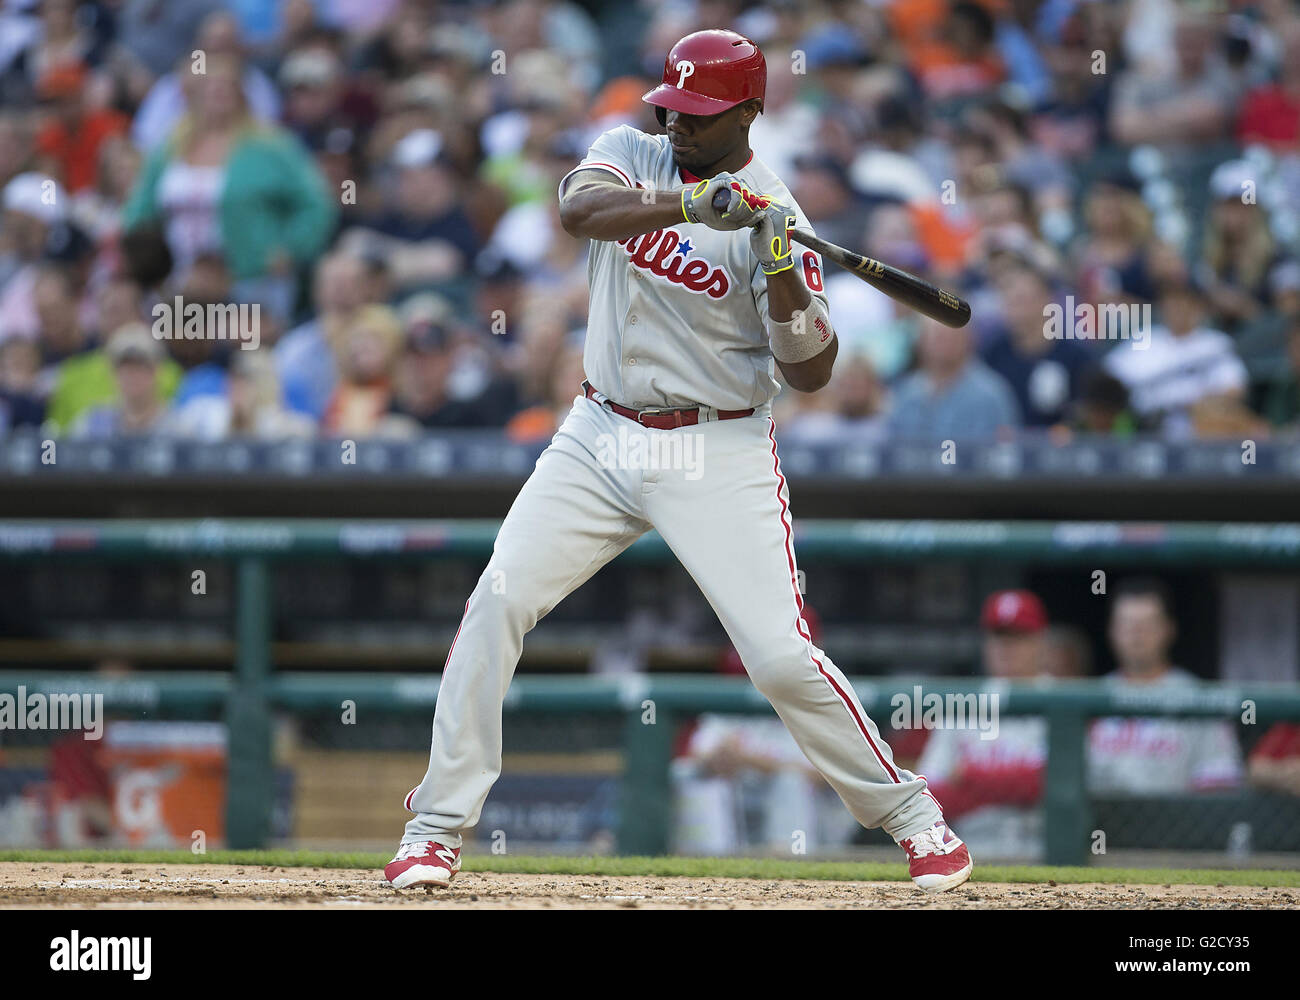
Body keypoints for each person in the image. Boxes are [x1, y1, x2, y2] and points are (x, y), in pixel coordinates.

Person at [384, 29, 973, 894]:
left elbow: (811, 373)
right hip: (599, 429)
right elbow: (578, 212)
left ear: (748, 112)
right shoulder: (632, 149)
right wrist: (691, 207)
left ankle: (916, 820)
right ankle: (436, 828)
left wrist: (778, 270)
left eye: (699, 114)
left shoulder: (777, 208)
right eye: (674, 107)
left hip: (718, 442)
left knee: (778, 656)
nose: (678, 125)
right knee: (499, 599)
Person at [916, 590, 1053, 861]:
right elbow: (928, 797)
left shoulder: (1063, 698)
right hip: (968, 850)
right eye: (998, 636)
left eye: (1018, 637)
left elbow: (1050, 784)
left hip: (1042, 850)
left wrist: (969, 778)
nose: (1006, 648)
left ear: (1041, 642)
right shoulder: (963, 704)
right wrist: (1012, 786)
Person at [1087, 579, 1244, 796]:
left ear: (1169, 630)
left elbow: (1218, 785)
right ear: (1111, 631)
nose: (1136, 635)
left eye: (1147, 625)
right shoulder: (1091, 697)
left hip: (1177, 826)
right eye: (1127, 625)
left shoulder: (1200, 698)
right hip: (1099, 826)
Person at [889, 315, 1021, 440]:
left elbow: (1003, 451)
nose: (945, 345)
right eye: (938, 337)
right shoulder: (905, 392)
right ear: (922, 341)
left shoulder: (991, 394)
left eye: (952, 337)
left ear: (968, 340)